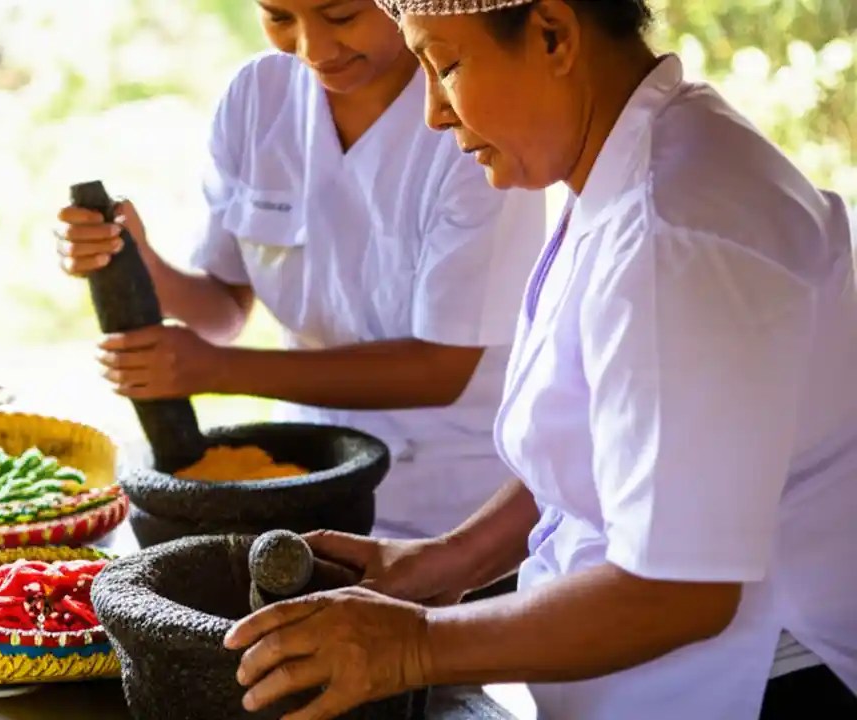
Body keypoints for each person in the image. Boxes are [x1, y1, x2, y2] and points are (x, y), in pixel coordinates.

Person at [222, 1, 857, 718]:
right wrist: (447, 559)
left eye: (447, 65)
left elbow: (679, 592)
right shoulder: (646, 152)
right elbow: (608, 442)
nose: (434, 112)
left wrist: (413, 645)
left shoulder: (677, 234)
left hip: (759, 688)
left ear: (553, 34)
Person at [55, 0, 547, 543]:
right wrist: (139, 262)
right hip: (307, 482)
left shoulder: (471, 116)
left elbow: (440, 368)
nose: (313, 49)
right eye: (279, 18)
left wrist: (214, 370)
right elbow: (222, 308)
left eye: (341, 17)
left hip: (454, 508)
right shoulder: (257, 99)